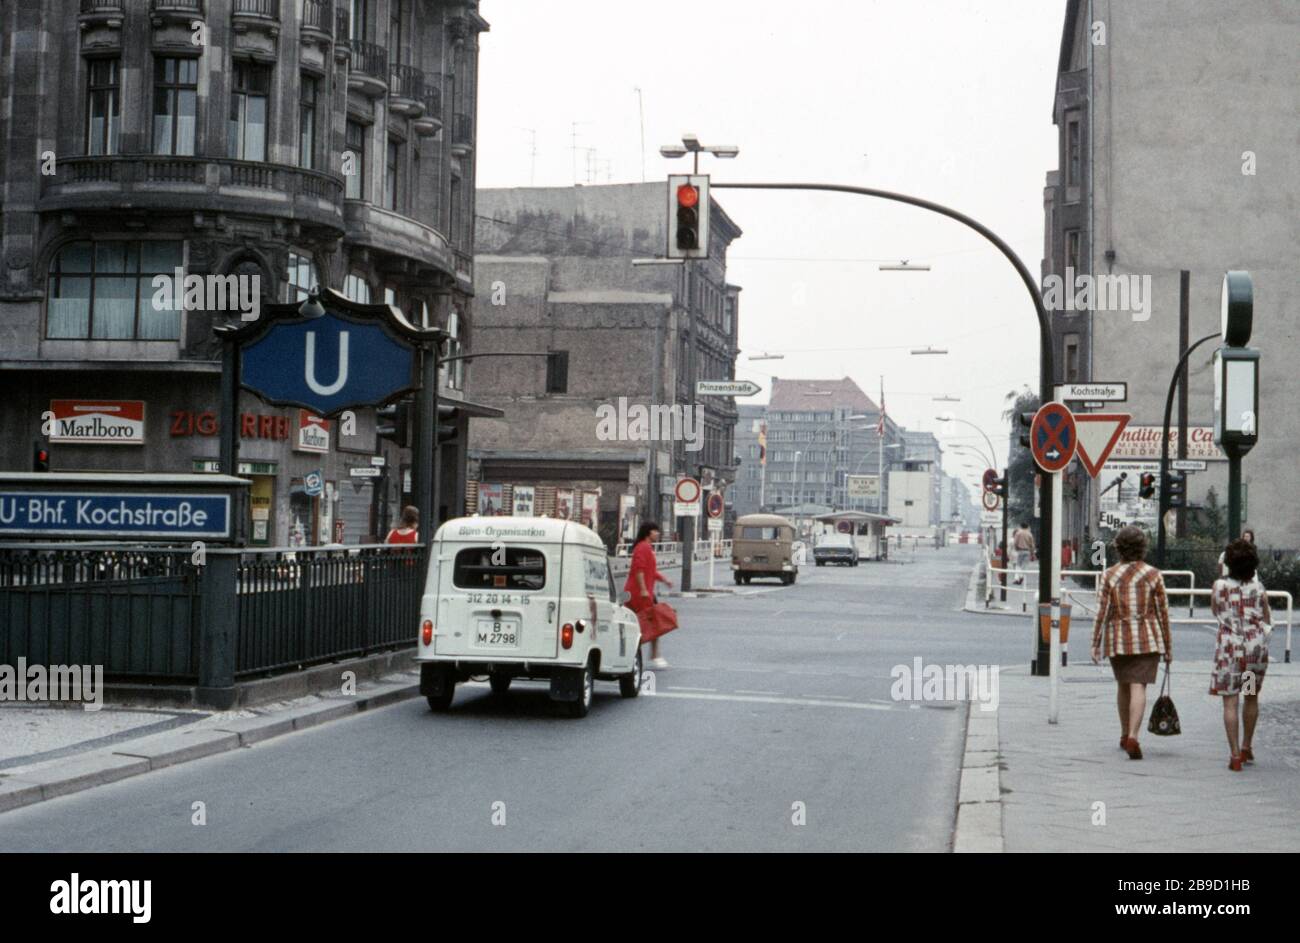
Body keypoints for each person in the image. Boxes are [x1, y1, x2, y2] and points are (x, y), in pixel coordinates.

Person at [1091, 525, 1172, 760]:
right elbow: (1162, 612)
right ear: (1142, 548)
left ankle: (1124, 732)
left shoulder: (1109, 575)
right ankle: (1134, 736)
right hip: (1148, 636)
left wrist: (1095, 642)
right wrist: (1168, 646)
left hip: (1118, 637)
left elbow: (1101, 612)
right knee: (1139, 686)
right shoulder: (1153, 574)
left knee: (1123, 685)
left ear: (1118, 548)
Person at [1210, 538, 1272, 771]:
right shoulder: (1259, 589)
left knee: (1230, 701)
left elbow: (1215, 611)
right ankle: (1247, 746)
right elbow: (1266, 617)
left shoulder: (1219, 587)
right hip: (1253, 651)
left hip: (1230, 651)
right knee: (1250, 696)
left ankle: (1234, 754)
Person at [624, 521, 672, 669]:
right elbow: (639, 570)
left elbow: (650, 570)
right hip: (639, 594)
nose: (658, 533)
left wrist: (664, 580)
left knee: (645, 624)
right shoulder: (643, 548)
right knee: (653, 624)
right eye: (655, 531)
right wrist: (644, 589)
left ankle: (649, 654)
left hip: (644, 593)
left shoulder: (647, 548)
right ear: (648, 533)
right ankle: (653, 655)